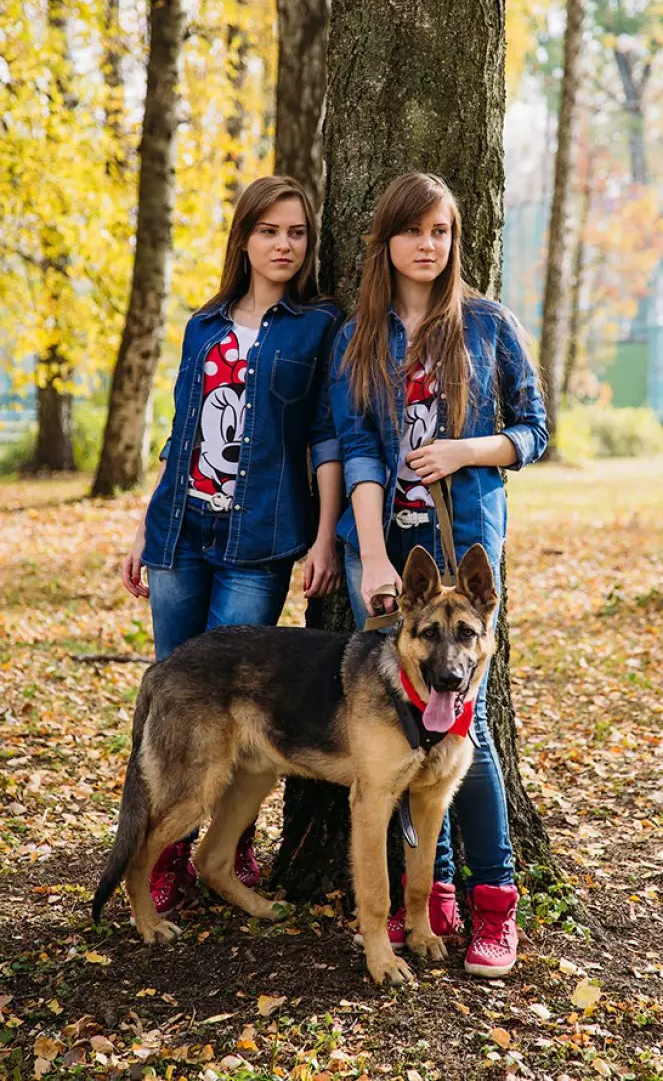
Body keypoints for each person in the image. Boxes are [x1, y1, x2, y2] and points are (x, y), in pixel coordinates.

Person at [330, 171, 547, 978]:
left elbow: (534, 428)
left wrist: (464, 449)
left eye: (442, 231)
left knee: (463, 730)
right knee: (396, 734)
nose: (429, 244)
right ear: (387, 240)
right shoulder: (363, 333)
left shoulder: (487, 324)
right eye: (414, 230)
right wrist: (372, 550)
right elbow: (352, 442)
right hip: (385, 547)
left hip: (467, 552)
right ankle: (435, 892)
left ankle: (494, 903)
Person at [122, 175, 343, 915]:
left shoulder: (318, 325)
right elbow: (183, 434)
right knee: (181, 699)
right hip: (181, 536)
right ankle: (167, 860)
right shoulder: (204, 324)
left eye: (297, 233)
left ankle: (233, 846)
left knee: (239, 701)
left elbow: (324, 437)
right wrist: (145, 528)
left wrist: (323, 538)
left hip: (259, 540)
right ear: (244, 238)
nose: (284, 245)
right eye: (270, 230)